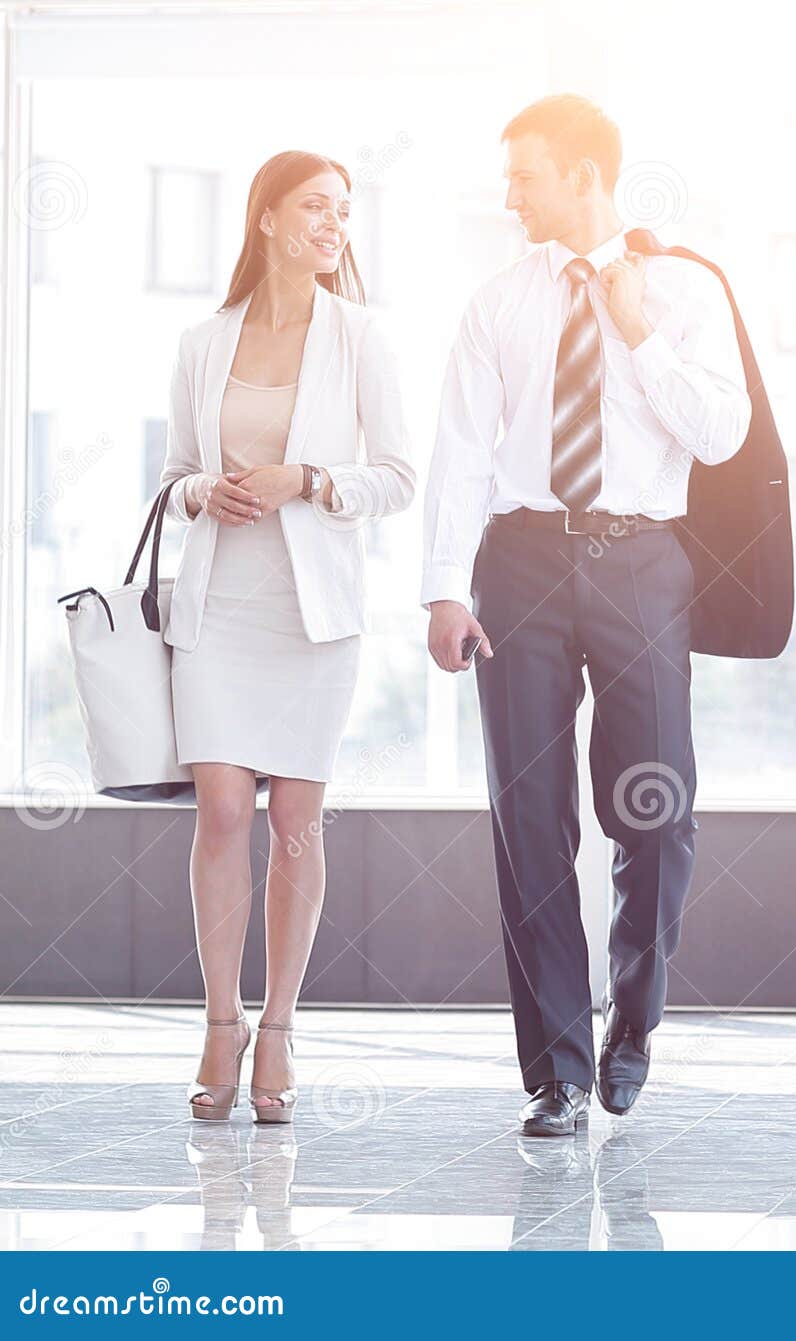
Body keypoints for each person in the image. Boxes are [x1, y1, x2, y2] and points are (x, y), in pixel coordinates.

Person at [421, 95, 752, 1138]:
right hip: (518, 559)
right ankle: (557, 1067)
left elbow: (722, 435)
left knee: (657, 807)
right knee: (528, 816)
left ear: (582, 175)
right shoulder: (497, 302)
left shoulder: (686, 289)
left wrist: (636, 328)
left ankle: (633, 1023)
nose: (510, 197)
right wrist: (444, 585)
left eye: (524, 177)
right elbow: (462, 448)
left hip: (641, 558)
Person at [160, 150, 417, 1123]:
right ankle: (219, 1020)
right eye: (315, 205)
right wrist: (204, 491)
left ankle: (279, 1026)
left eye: (344, 209)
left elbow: (397, 476)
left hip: (314, 615)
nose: (334, 223)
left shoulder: (361, 338)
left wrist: (307, 480)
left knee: (294, 821)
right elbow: (172, 477)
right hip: (220, 604)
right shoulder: (203, 340)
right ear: (266, 216)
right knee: (223, 810)